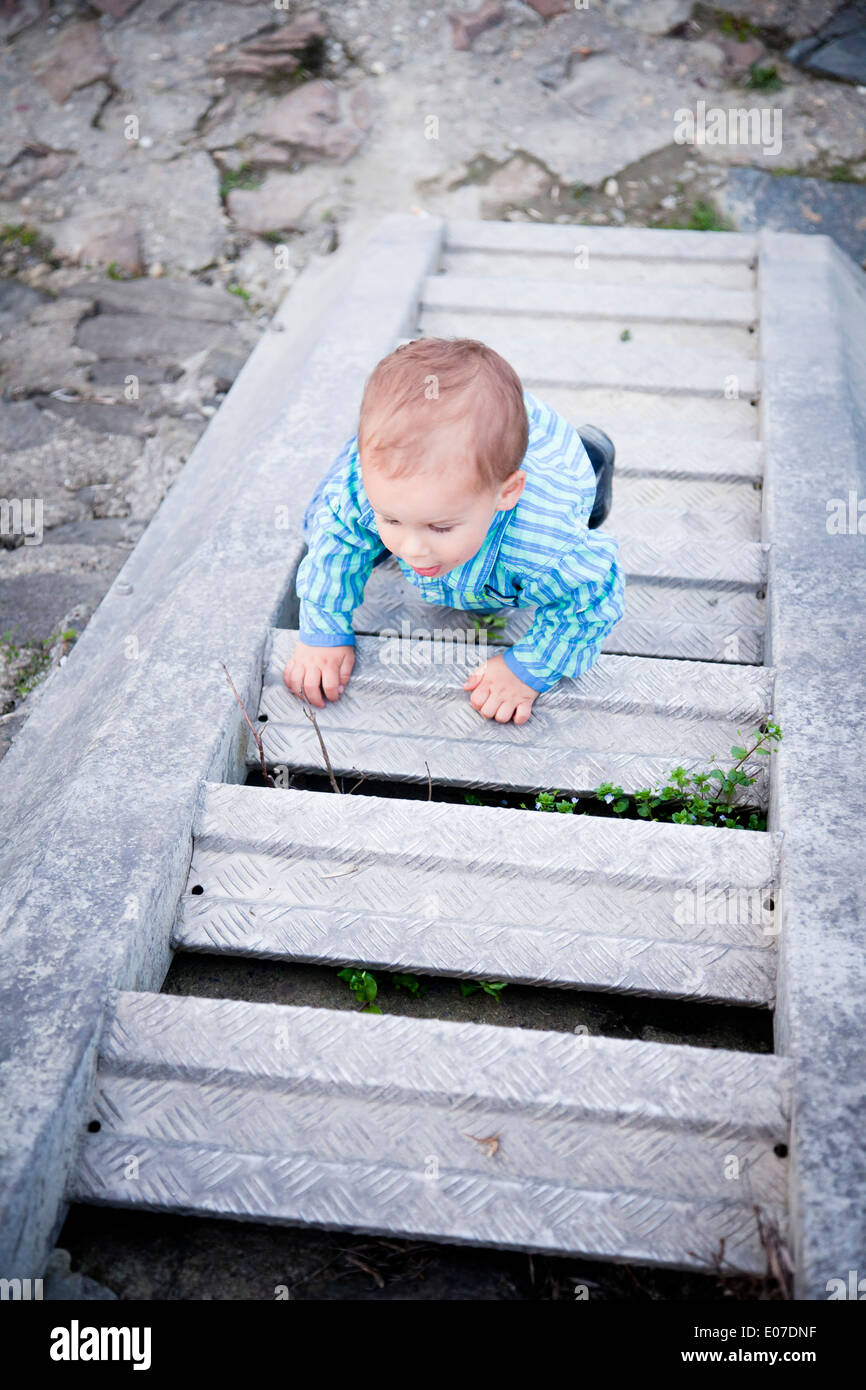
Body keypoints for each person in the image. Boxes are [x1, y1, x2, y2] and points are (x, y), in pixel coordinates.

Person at [284, 336, 624, 726]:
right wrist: (322, 630)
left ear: (507, 493)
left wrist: (528, 668)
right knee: (329, 522)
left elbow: (591, 595)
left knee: (580, 505)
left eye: (440, 526)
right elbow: (336, 540)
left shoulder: (545, 544)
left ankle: (594, 456)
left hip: (549, 468)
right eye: (391, 519)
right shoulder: (369, 484)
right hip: (438, 463)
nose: (411, 549)